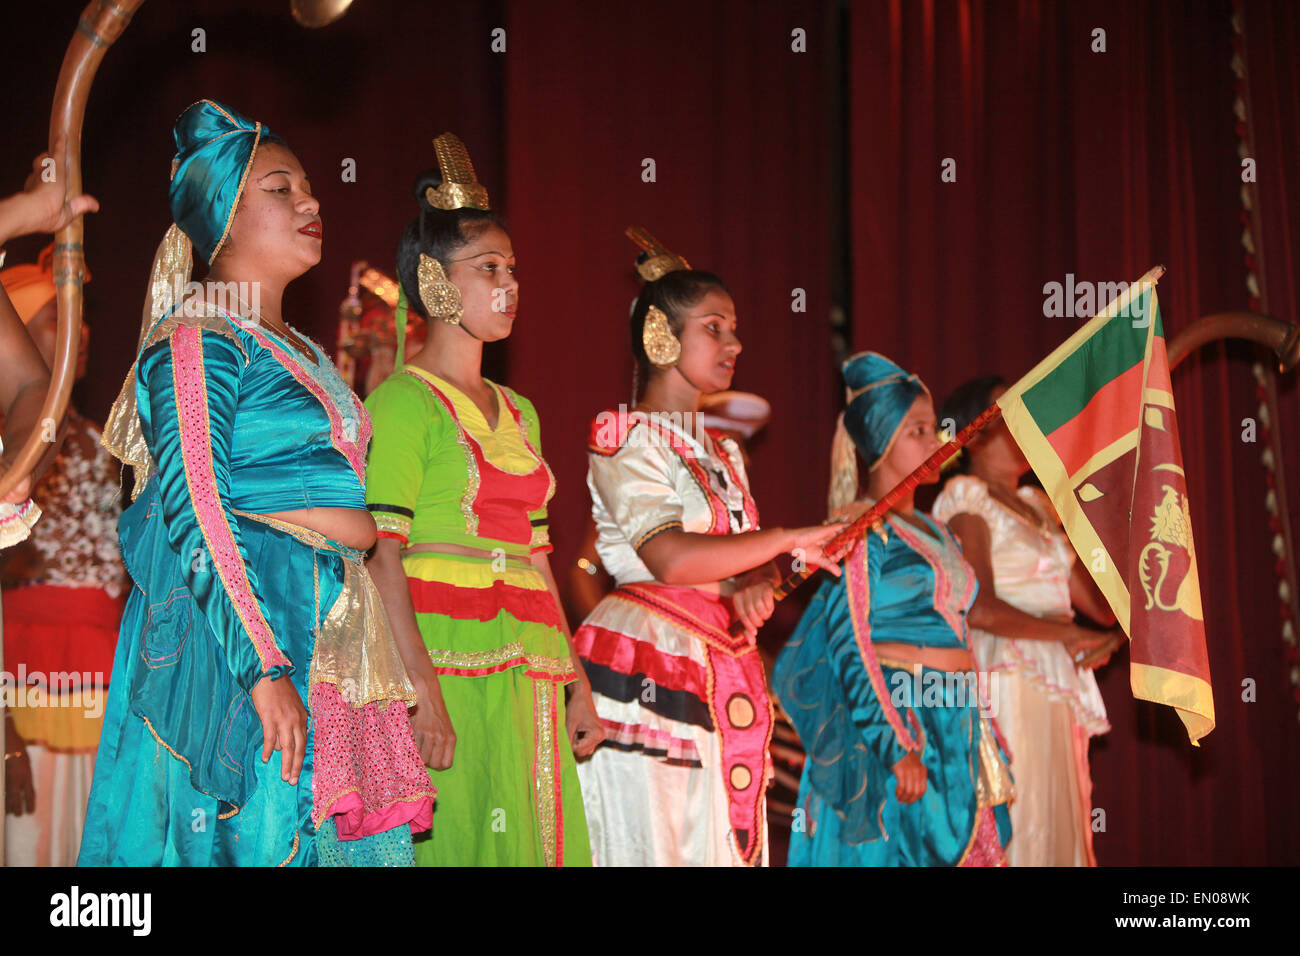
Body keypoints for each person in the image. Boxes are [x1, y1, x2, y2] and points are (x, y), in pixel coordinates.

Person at [78, 100, 434, 867]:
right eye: (282, 189)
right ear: (224, 217)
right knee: (259, 836)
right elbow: (195, 501)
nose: (311, 201)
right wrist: (262, 665)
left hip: (328, 628)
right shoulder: (199, 336)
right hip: (252, 630)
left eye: (309, 187)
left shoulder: (295, 346)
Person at [364, 133, 601, 866]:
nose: (510, 284)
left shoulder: (519, 410)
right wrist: (419, 690)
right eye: (489, 268)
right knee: (461, 836)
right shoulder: (402, 402)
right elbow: (379, 555)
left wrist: (579, 683)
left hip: (530, 661)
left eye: (514, 269)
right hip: (444, 654)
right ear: (436, 285)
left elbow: (536, 555)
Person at [573, 229, 841, 866]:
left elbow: (732, 559)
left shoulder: (724, 451)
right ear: (661, 336)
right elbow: (668, 558)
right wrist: (784, 538)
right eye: (714, 327)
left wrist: (751, 581)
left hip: (721, 660)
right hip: (648, 661)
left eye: (735, 328)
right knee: (655, 842)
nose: (734, 343)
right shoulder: (623, 435)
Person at [773, 351, 1014, 866]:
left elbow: (960, 631)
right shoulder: (861, 527)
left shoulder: (938, 531)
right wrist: (894, 743)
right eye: (918, 430)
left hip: (954, 718)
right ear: (881, 441)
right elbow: (848, 640)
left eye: (934, 429)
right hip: (900, 716)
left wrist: (984, 728)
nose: (935, 442)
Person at [933, 375, 1120, 866]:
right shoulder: (966, 497)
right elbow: (979, 606)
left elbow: (1102, 607)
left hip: (1054, 671)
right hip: (1010, 669)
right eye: (1007, 412)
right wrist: (1071, 634)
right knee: (1027, 812)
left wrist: (1100, 514)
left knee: (1063, 812)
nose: (1025, 420)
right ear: (974, 434)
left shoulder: (1040, 504)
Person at [1, 246, 125, 866]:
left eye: (78, 316)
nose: (79, 329)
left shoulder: (105, 442)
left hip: (101, 685)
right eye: (55, 316)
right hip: (22, 692)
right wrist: (4, 739)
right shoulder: (7, 451)